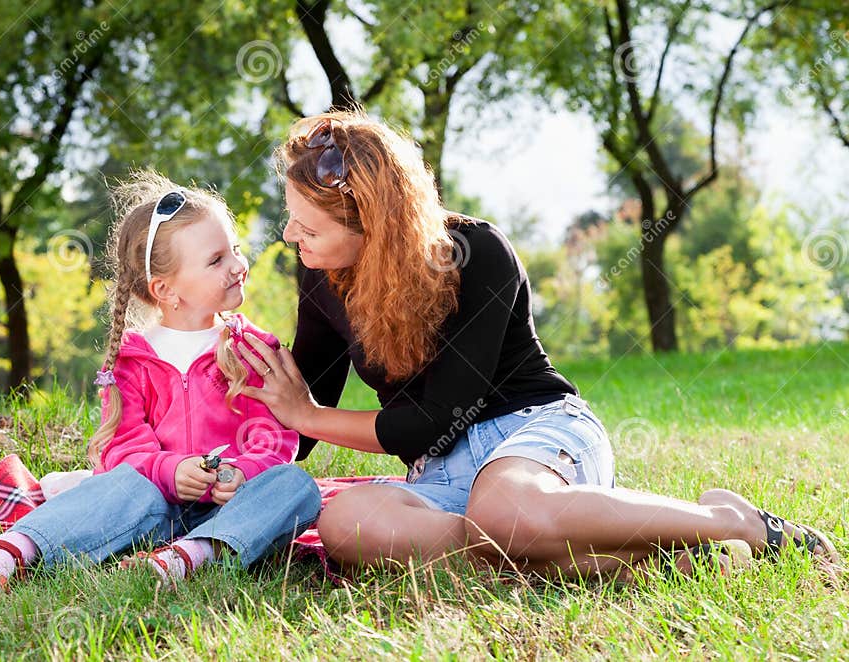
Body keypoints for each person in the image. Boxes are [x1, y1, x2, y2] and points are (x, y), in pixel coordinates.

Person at [236, 110, 842, 582]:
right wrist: (242, 458)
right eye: (292, 219)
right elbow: (306, 401)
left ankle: (728, 522)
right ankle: (638, 565)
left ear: (374, 221)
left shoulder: (475, 254)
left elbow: (429, 420)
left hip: (532, 434)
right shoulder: (320, 274)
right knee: (346, 523)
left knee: (506, 515)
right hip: (438, 476)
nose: (290, 235)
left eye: (308, 226)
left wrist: (306, 413)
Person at [0, 171, 321, 591]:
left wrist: (241, 472)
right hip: (151, 506)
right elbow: (125, 445)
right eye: (216, 259)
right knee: (122, 486)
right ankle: (11, 550)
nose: (238, 265)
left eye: (234, 250)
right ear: (166, 290)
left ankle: (191, 555)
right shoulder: (132, 360)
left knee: (297, 487)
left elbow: (274, 441)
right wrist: (170, 470)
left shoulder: (253, 349)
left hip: (231, 508)